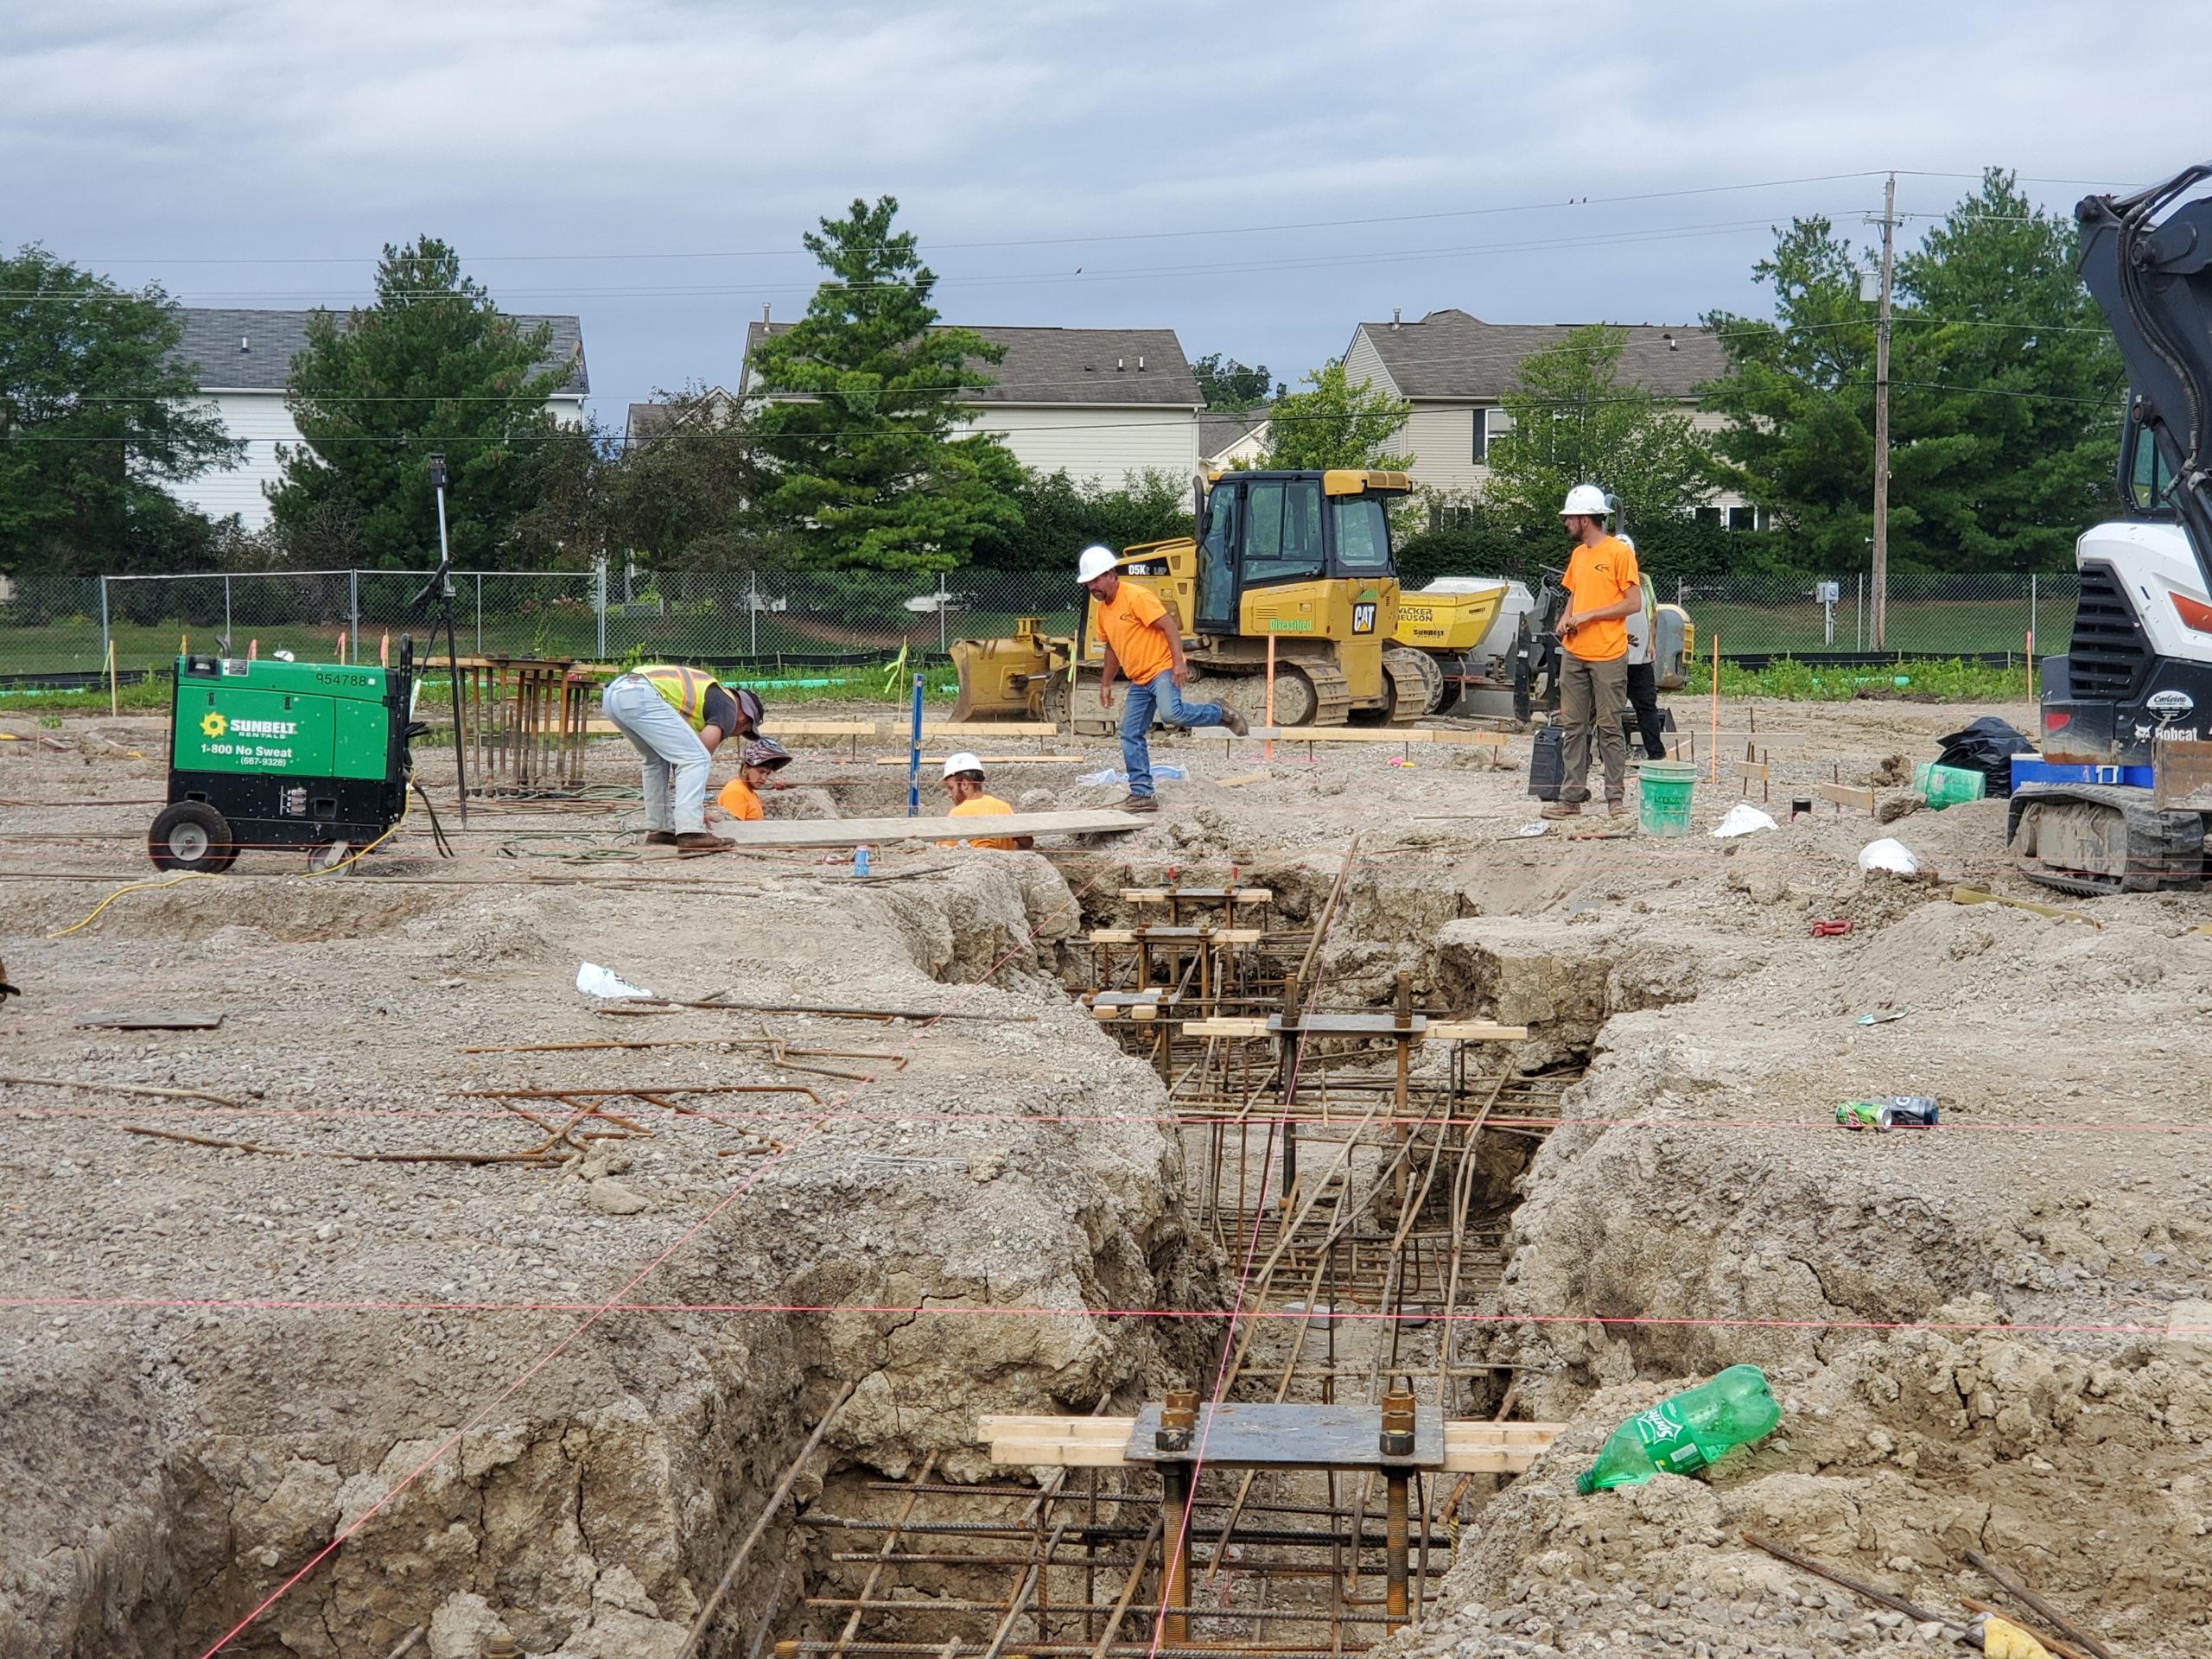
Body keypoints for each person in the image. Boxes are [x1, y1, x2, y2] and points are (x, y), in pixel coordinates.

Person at [1078, 543, 1247, 815]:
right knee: (1129, 733)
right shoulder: (1103, 612)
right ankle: (1142, 793)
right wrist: (1106, 683)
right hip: (1139, 679)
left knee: (1172, 714)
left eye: (1096, 580)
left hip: (1161, 668)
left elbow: (1168, 625)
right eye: (1088, 583)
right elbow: (1111, 648)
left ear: (1111, 574)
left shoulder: (1136, 597)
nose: (1093, 587)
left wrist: (1178, 662)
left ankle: (1220, 714)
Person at [1541, 486, 1643, 820]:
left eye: (1570, 517)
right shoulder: (1579, 555)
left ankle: (1615, 799)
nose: (1566, 523)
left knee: (1610, 727)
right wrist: (1566, 617)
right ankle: (1571, 797)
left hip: (1608, 653)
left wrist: (1589, 615)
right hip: (1575, 652)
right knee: (1573, 726)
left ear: (1585, 518)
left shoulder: (1618, 553)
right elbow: (1576, 594)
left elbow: (1633, 602)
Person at [601, 664, 763, 852]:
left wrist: (692, 806)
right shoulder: (729, 708)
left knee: (655, 760)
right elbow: (698, 757)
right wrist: (693, 812)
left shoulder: (712, 697)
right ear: (744, 717)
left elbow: (683, 766)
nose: (734, 734)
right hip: (641, 695)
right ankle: (691, 833)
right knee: (696, 758)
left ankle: (661, 830)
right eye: (743, 731)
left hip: (616, 694)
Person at [1618, 535, 1670, 763]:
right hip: (1614, 656)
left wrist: (1651, 644)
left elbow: (1653, 614)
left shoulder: (1644, 581)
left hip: (1640, 659)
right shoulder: (1607, 583)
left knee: (1647, 706)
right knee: (1606, 709)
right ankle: (1605, 755)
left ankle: (1656, 754)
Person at [936, 751, 1033, 850]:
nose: (949, 795)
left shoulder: (957, 814)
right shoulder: (1003, 807)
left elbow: (942, 851)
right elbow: (1023, 844)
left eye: (951, 788)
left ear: (965, 784)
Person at [716, 738, 792, 822]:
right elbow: (734, 830)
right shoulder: (735, 792)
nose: (764, 778)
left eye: (767, 773)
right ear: (746, 768)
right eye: (761, 771)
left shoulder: (748, 791)